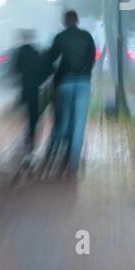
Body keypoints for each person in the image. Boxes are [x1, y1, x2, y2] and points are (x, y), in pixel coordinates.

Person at [44, 10, 96, 176]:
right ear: (77, 20)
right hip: (83, 83)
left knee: (64, 121)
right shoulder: (87, 36)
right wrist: (85, 72)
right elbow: (92, 57)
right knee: (79, 123)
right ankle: (72, 163)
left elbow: (50, 59)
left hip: (65, 83)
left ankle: (53, 155)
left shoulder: (60, 37)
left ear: (65, 22)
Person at [9, 29, 48, 165]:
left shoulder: (19, 53)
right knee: (34, 119)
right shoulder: (37, 53)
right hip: (35, 91)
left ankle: (26, 140)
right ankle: (30, 146)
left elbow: (14, 70)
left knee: (25, 115)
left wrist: (19, 81)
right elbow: (46, 71)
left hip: (24, 89)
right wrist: (39, 81)